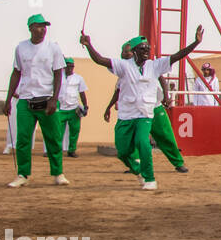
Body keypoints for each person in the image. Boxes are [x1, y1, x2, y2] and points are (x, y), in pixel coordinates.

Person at [82, 27, 203, 191]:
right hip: (126, 115)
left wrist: (195, 42)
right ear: (134, 51)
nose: (146, 50)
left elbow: (177, 56)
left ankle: (150, 178)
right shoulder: (123, 66)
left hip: (146, 112)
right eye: (142, 48)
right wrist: (88, 44)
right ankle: (137, 169)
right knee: (123, 151)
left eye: (148, 48)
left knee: (144, 141)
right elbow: (100, 60)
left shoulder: (154, 66)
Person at [104, 44, 190, 175]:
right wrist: (110, 106)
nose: (124, 54)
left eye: (127, 52)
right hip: (135, 112)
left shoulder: (150, 66)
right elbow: (118, 90)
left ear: (133, 53)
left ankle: (178, 162)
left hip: (154, 107)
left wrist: (166, 97)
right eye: (123, 52)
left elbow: (162, 80)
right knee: (134, 139)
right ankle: (135, 164)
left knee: (165, 136)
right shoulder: (124, 70)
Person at [5, 14, 68, 187]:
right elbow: (16, 72)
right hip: (26, 99)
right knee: (23, 138)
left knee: (53, 137)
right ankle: (22, 175)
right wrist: (8, 98)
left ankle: (58, 173)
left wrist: (54, 98)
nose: (43, 29)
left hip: (47, 99)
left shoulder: (53, 47)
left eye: (45, 26)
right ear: (30, 28)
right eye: (39, 26)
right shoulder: (21, 48)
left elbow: (57, 74)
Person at [56, 58, 89, 157]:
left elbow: (82, 92)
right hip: (60, 108)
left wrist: (85, 105)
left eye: (72, 66)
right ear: (63, 67)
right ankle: (57, 150)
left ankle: (72, 150)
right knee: (58, 132)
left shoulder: (78, 78)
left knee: (74, 131)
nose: (70, 68)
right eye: (68, 66)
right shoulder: (58, 77)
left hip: (74, 108)